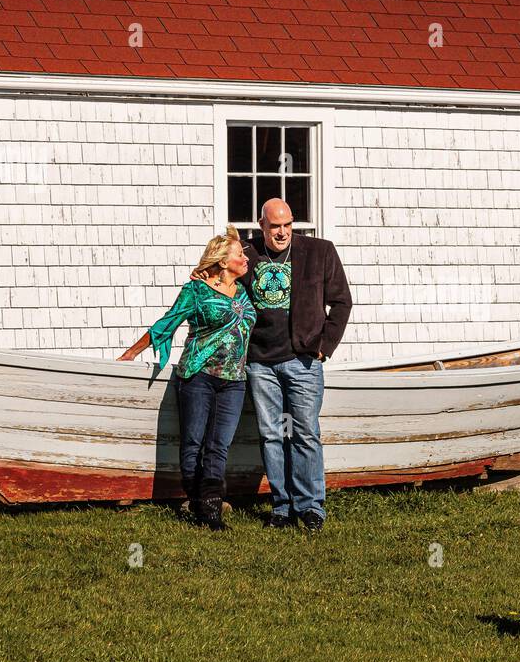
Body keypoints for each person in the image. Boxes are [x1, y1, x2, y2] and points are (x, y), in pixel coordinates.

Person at [119, 226, 256, 530]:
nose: (245, 258)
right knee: (194, 442)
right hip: (198, 377)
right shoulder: (196, 290)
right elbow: (166, 323)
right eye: (239, 254)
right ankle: (199, 503)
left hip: (234, 380)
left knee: (219, 445)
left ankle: (211, 509)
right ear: (222, 261)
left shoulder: (244, 290)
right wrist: (131, 353)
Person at [229, 199, 351, 532]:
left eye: (287, 225)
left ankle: (310, 507)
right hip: (261, 363)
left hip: (303, 360)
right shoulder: (246, 254)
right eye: (274, 226)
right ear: (261, 225)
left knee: (305, 433)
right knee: (271, 436)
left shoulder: (319, 251)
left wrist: (324, 348)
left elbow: (341, 302)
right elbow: (221, 283)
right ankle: (281, 507)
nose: (281, 232)